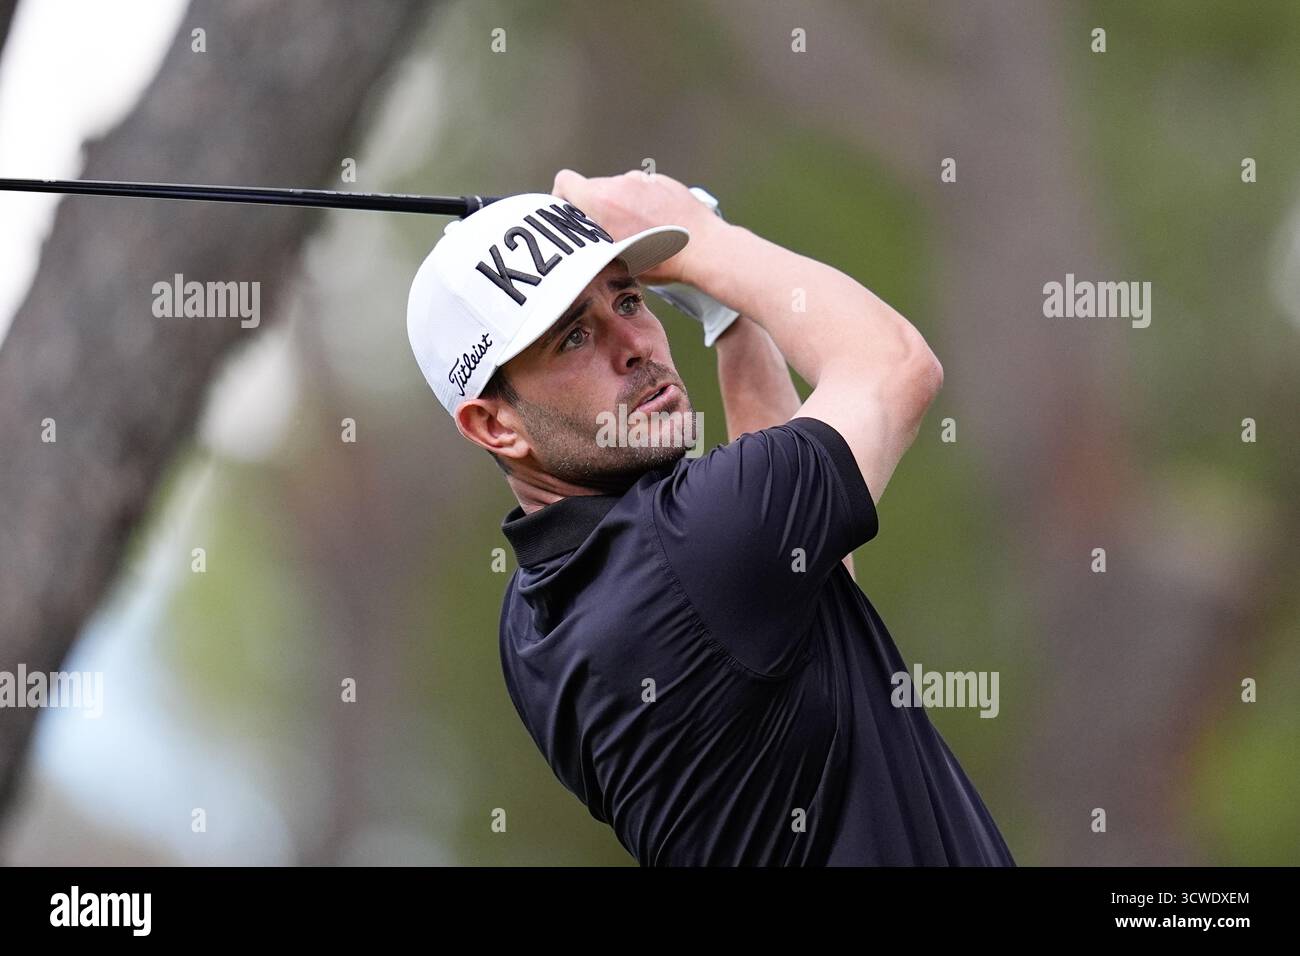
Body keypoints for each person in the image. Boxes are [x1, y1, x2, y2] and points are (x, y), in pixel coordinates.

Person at [406, 169, 1015, 865]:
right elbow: (895, 366)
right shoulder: (689, 547)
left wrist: (728, 319)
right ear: (495, 425)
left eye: (628, 298)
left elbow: (803, 567)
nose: (633, 344)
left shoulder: (531, 620)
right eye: (573, 339)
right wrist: (710, 242)